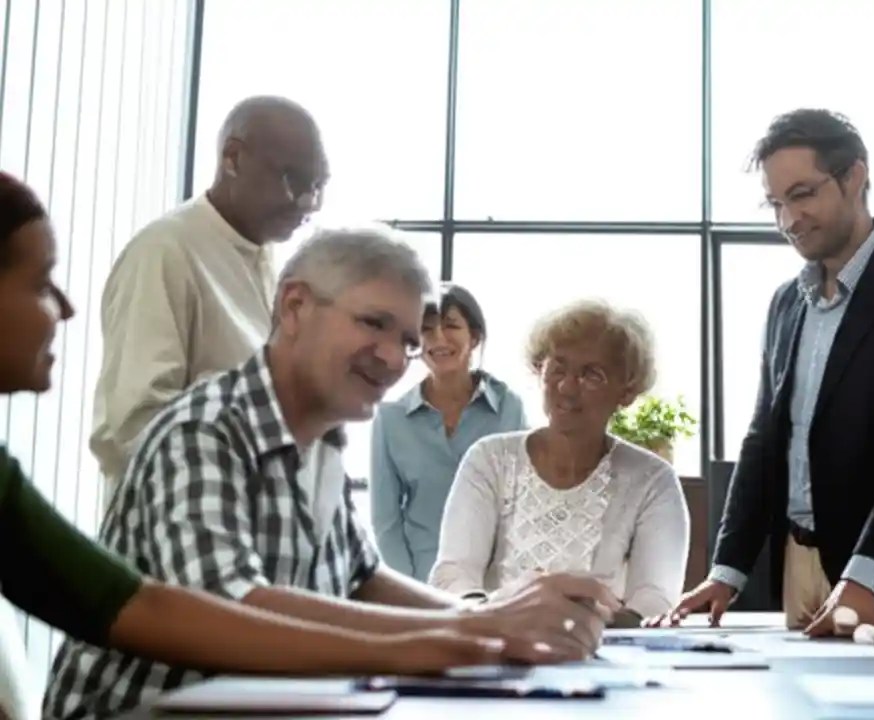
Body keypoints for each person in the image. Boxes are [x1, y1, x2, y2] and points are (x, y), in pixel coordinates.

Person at [0, 172, 593, 720]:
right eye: (372, 324)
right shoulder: (205, 429)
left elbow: (362, 577)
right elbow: (231, 605)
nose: (392, 357)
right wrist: (472, 633)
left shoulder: (322, 442)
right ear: (295, 307)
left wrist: (488, 621)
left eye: (406, 340)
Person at [653, 109, 874, 634]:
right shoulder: (787, 303)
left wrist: (867, 576)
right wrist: (727, 570)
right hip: (800, 566)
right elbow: (764, 440)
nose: (788, 221)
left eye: (802, 195)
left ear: (854, 176)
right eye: (776, 204)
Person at [90, 95, 328, 490]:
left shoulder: (272, 263)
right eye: (293, 180)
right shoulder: (164, 252)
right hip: (178, 527)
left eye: (319, 186)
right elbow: (131, 426)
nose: (309, 203)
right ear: (232, 158)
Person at [430, 299, 690, 623]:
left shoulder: (653, 479)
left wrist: (582, 620)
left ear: (627, 391)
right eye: (557, 369)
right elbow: (454, 574)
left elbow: (656, 598)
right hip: (495, 646)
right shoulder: (489, 459)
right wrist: (500, 614)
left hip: (605, 652)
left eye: (591, 375)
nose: (567, 388)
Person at [371, 283, 527, 580]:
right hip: (422, 581)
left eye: (451, 325)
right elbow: (385, 522)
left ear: (475, 336)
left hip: (494, 584)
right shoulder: (390, 420)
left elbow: (521, 503)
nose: (438, 338)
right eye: (427, 329)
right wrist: (410, 588)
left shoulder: (509, 408)